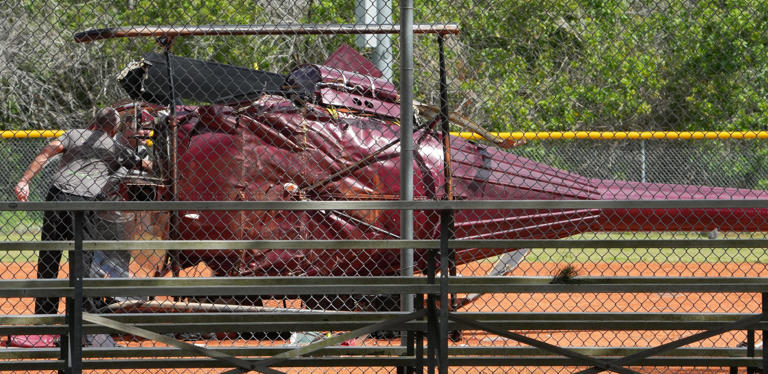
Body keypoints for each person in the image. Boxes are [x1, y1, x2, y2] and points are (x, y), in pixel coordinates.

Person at [12, 107, 149, 348]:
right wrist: (143, 149)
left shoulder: (73, 134)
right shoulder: (116, 147)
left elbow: (46, 152)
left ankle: (45, 323)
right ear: (115, 129)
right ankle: (79, 326)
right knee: (81, 264)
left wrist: (24, 181)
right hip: (85, 204)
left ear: (93, 123)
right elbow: (144, 165)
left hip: (58, 197)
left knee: (49, 259)